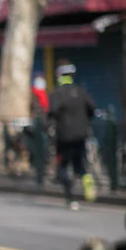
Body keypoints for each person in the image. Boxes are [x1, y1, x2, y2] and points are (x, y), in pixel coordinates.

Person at [48, 60, 97, 210]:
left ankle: (70, 197)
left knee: (63, 167)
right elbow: (92, 108)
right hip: (81, 135)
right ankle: (87, 180)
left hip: (64, 136)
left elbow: (52, 112)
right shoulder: (81, 91)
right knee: (80, 165)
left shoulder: (57, 93)